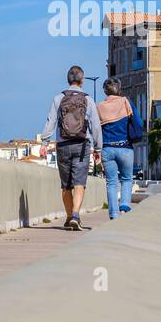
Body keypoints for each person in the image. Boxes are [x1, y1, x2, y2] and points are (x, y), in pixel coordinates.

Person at [40, 65, 102, 230]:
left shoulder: (58, 98)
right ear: (82, 81)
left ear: (68, 80)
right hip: (82, 146)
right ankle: (75, 215)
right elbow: (96, 126)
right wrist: (98, 149)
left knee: (65, 185)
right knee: (79, 183)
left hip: (62, 146)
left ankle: (69, 217)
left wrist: (45, 143)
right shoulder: (88, 100)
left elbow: (50, 121)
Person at [96, 77, 144, 219]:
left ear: (105, 90)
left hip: (107, 149)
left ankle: (113, 213)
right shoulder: (126, 102)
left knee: (111, 182)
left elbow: (95, 129)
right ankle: (124, 206)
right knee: (127, 179)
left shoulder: (99, 107)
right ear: (119, 88)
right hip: (125, 148)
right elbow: (138, 122)